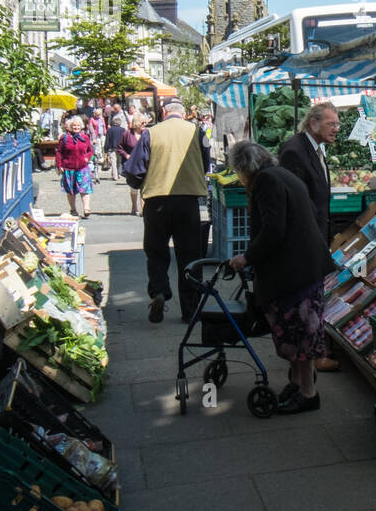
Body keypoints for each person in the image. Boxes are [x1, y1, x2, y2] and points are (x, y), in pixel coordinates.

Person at [226, 141, 336, 414]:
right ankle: (299, 384)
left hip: (294, 271)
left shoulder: (266, 181)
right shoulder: (281, 174)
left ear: (244, 168)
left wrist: (246, 257)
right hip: (302, 266)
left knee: (299, 333)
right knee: (298, 333)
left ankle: (308, 394)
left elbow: (273, 230)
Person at [123, 101, 210, 323]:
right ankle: (190, 309)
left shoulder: (151, 133)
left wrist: (139, 183)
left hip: (156, 200)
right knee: (190, 255)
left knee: (156, 252)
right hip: (188, 200)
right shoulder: (196, 132)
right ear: (183, 114)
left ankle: (159, 292)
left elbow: (135, 170)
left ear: (163, 112)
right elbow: (205, 162)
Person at [278, 102, 340, 371]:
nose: (336, 129)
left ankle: (311, 355)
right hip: (305, 240)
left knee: (315, 297)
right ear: (313, 123)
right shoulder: (294, 150)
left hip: (316, 235)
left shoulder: (315, 148)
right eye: (331, 124)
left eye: (337, 124)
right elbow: (295, 201)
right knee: (309, 301)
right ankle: (310, 358)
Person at [57, 116, 95, 218]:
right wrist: (59, 165)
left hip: (83, 168)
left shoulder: (85, 137)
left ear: (81, 126)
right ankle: (73, 209)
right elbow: (59, 152)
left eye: (78, 125)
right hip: (69, 168)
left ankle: (86, 208)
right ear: (69, 127)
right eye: (74, 125)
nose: (76, 127)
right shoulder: (64, 138)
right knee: (71, 190)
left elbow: (90, 150)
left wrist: (87, 158)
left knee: (85, 188)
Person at [118, 113, 147, 215]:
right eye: (142, 122)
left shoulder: (147, 133)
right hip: (132, 164)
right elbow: (120, 148)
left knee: (144, 187)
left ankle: (144, 209)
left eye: (145, 122)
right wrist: (126, 156)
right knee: (134, 187)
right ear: (137, 123)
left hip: (144, 163)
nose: (144, 124)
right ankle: (134, 207)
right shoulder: (127, 134)